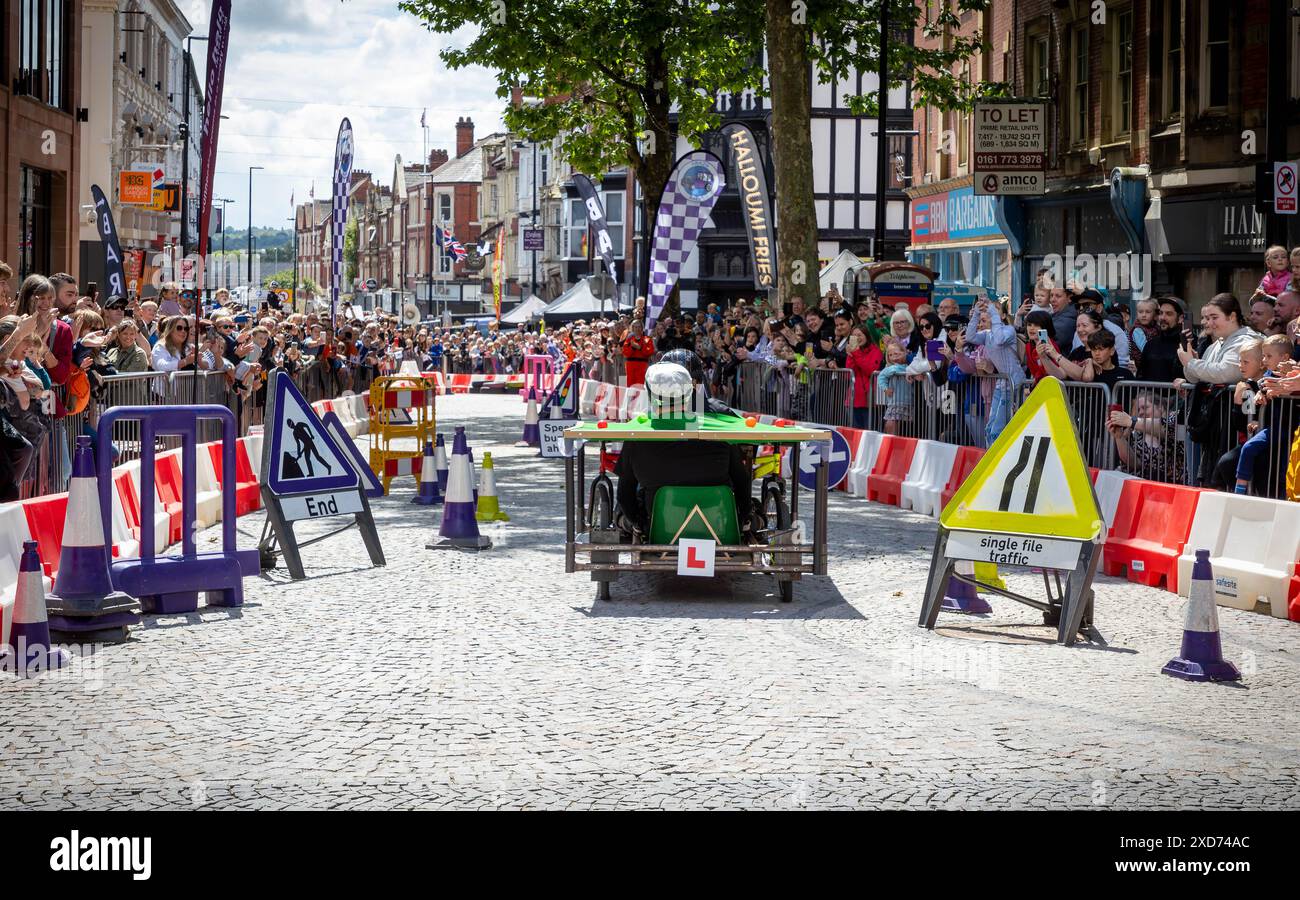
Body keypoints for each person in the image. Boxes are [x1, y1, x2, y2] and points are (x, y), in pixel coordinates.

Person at [614, 361, 752, 534]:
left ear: (649, 394)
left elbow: (624, 495)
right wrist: (744, 518)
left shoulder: (637, 438)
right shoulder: (718, 435)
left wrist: (639, 523)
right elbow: (742, 481)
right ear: (689, 393)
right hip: (720, 530)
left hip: (660, 531)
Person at [1137, 297, 1187, 382]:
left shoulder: (1190, 343)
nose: (1162, 317)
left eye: (1169, 314)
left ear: (1181, 318)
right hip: (1150, 393)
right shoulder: (1151, 344)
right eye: (1160, 313)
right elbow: (1141, 374)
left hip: (1178, 394)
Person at [620, 317, 655, 387]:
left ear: (642, 328)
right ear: (632, 328)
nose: (637, 329)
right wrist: (632, 347)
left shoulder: (647, 339)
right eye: (635, 327)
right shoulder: (629, 339)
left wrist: (640, 348)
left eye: (639, 327)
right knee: (630, 386)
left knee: (641, 385)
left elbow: (649, 352)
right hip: (630, 365)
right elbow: (625, 353)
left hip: (642, 365)